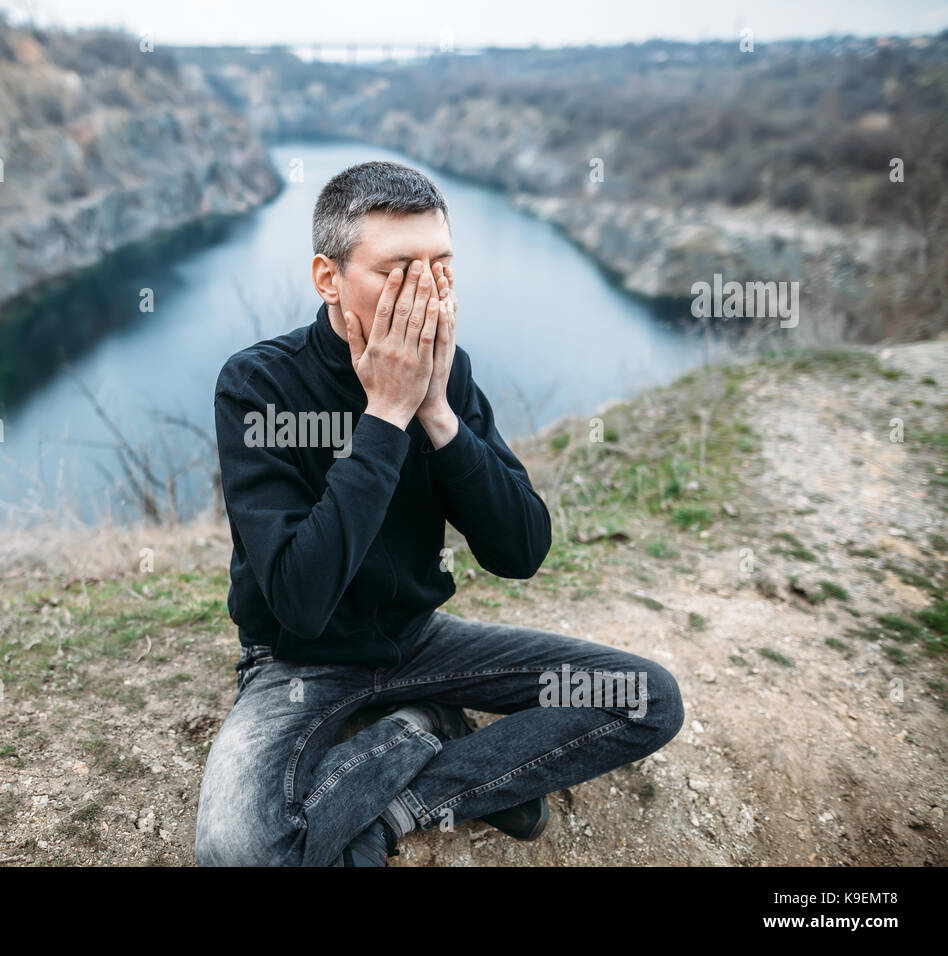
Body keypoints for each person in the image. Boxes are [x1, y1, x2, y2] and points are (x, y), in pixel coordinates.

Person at [195, 160, 683, 867]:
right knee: (239, 854)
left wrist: (436, 413)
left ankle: (401, 801)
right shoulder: (258, 385)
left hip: (419, 640)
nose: (426, 291)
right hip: (298, 660)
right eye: (398, 269)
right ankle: (423, 731)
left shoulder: (448, 373)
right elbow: (300, 602)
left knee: (646, 698)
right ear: (329, 278)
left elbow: (521, 551)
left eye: (441, 265)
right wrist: (386, 413)